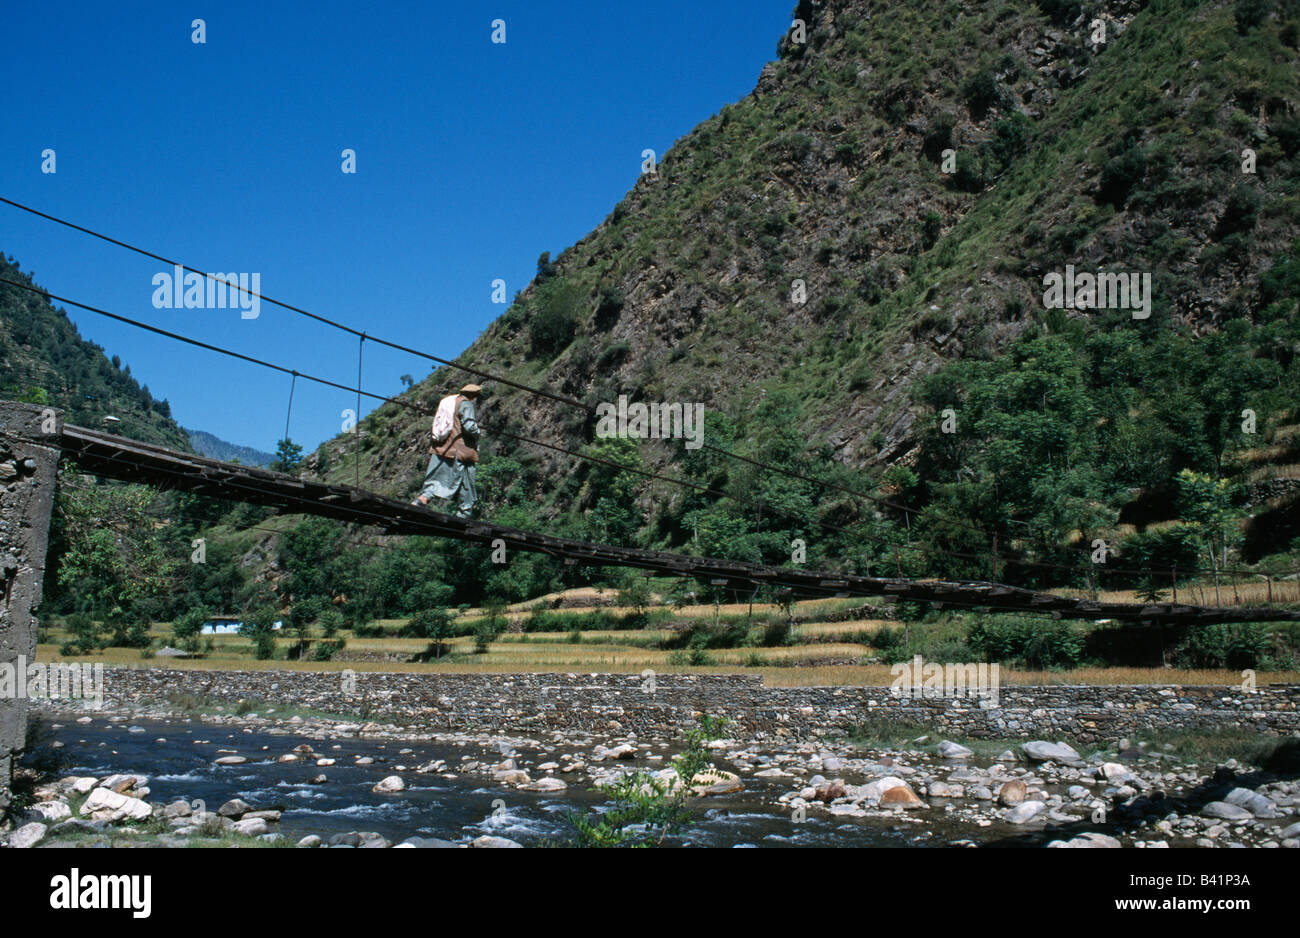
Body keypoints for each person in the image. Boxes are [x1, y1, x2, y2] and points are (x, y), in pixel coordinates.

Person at [412, 384, 482, 517]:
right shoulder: (466, 404)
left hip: (442, 448)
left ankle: (422, 499)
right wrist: (478, 432)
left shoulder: (449, 402)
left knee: (435, 479)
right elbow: (469, 425)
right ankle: (464, 514)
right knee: (467, 481)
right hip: (462, 451)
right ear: (473, 395)